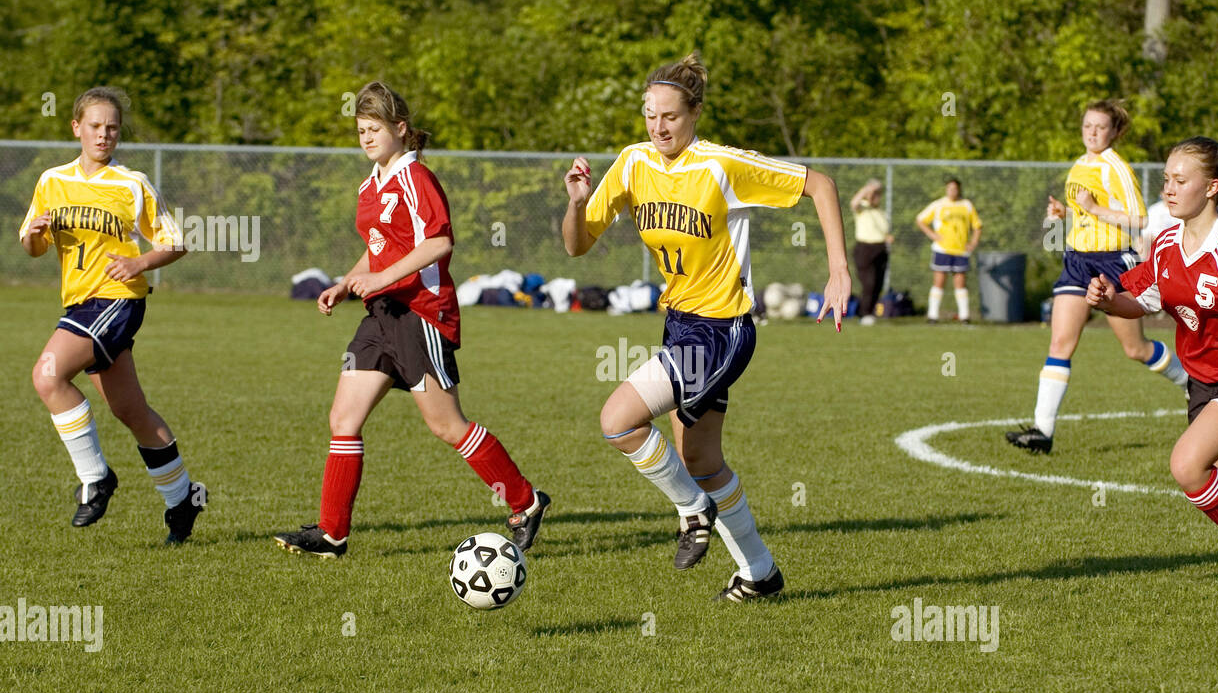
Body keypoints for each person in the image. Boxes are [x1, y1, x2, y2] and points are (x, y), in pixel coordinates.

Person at [562, 53, 850, 602]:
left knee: (617, 419)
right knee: (700, 460)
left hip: (723, 328)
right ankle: (760, 573)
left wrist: (839, 270)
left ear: (695, 113)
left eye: (670, 115)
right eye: (650, 115)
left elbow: (822, 185)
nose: (658, 126)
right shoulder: (632, 164)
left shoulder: (722, 164)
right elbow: (577, 246)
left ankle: (693, 512)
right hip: (679, 325)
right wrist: (577, 204)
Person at [274, 82, 549, 559]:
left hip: (420, 314)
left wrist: (381, 280)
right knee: (343, 418)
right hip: (381, 317)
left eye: (374, 128)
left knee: (446, 425)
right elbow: (379, 247)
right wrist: (347, 283)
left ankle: (525, 503)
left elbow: (439, 243)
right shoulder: (371, 184)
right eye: (360, 130)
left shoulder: (415, 178)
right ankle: (332, 534)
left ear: (400, 129)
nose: (365, 137)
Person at [1087, 137, 1218, 608]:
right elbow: (1139, 301)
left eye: (1180, 180)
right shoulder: (1165, 245)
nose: (1168, 189)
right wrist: (1107, 300)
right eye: (1165, 179)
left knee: (1187, 465)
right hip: (1204, 378)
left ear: (1211, 187)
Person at [19, 87, 204, 543]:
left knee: (47, 375)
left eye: (113, 127)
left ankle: (96, 478)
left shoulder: (132, 183)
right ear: (76, 127)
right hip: (80, 303)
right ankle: (183, 497)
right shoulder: (51, 181)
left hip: (119, 299)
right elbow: (33, 246)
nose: (105, 134)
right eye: (96, 126)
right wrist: (34, 234)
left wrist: (139, 263)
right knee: (129, 409)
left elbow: (175, 241)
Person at [1006, 99, 1187, 454]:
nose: (1092, 132)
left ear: (1114, 131)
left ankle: (1191, 381)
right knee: (1060, 343)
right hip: (1077, 259)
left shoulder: (1115, 167)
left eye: (1099, 127)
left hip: (1113, 263)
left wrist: (1092, 208)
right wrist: (1065, 212)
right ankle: (1042, 432)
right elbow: (1085, 213)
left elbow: (1139, 220)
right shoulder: (1078, 165)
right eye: (1087, 125)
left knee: (1135, 348)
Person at [915, 176, 981, 324]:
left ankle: (964, 316)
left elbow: (977, 226)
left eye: (955, 188)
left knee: (960, 283)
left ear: (959, 189)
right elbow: (920, 219)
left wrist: (973, 242)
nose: (952, 191)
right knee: (939, 281)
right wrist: (932, 234)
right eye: (949, 188)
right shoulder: (939, 204)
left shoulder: (966, 205)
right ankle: (933, 315)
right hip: (942, 249)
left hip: (961, 250)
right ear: (946, 190)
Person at [849, 178, 893, 325]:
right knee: (869, 282)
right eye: (874, 194)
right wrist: (867, 189)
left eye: (878, 194)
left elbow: (883, 230)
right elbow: (853, 203)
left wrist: (888, 237)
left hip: (880, 248)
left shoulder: (881, 212)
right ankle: (864, 313)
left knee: (878, 283)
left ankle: (870, 312)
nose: (876, 197)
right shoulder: (862, 207)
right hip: (865, 248)